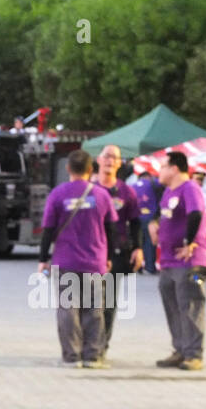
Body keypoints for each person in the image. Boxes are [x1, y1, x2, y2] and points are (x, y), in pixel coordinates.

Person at [38, 148, 120, 368]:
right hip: (95, 262)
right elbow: (112, 229)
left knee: (67, 309)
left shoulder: (57, 194)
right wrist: (110, 257)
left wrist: (43, 259)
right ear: (91, 169)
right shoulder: (102, 195)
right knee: (94, 309)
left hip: (65, 261)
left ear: (68, 169)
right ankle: (93, 356)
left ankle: (71, 356)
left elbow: (47, 229)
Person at [151, 151, 206, 371]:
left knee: (192, 304)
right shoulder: (168, 191)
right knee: (173, 306)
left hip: (192, 261)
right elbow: (163, 215)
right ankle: (180, 349)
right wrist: (154, 225)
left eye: (163, 166)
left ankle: (194, 354)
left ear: (174, 168)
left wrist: (188, 240)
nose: (160, 171)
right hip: (168, 260)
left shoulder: (190, 188)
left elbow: (196, 214)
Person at [91, 144, 143, 360]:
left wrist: (138, 248)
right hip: (91, 253)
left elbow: (136, 221)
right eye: (107, 156)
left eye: (115, 157)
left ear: (120, 163)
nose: (110, 161)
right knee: (87, 302)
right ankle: (86, 345)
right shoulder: (88, 189)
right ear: (98, 160)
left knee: (109, 304)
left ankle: (102, 346)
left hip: (117, 253)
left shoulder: (126, 191)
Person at [129, 166, 160, 274]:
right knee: (149, 243)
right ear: (148, 176)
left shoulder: (132, 186)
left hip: (136, 217)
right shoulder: (152, 183)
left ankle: (137, 267)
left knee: (138, 243)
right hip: (149, 217)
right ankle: (150, 267)